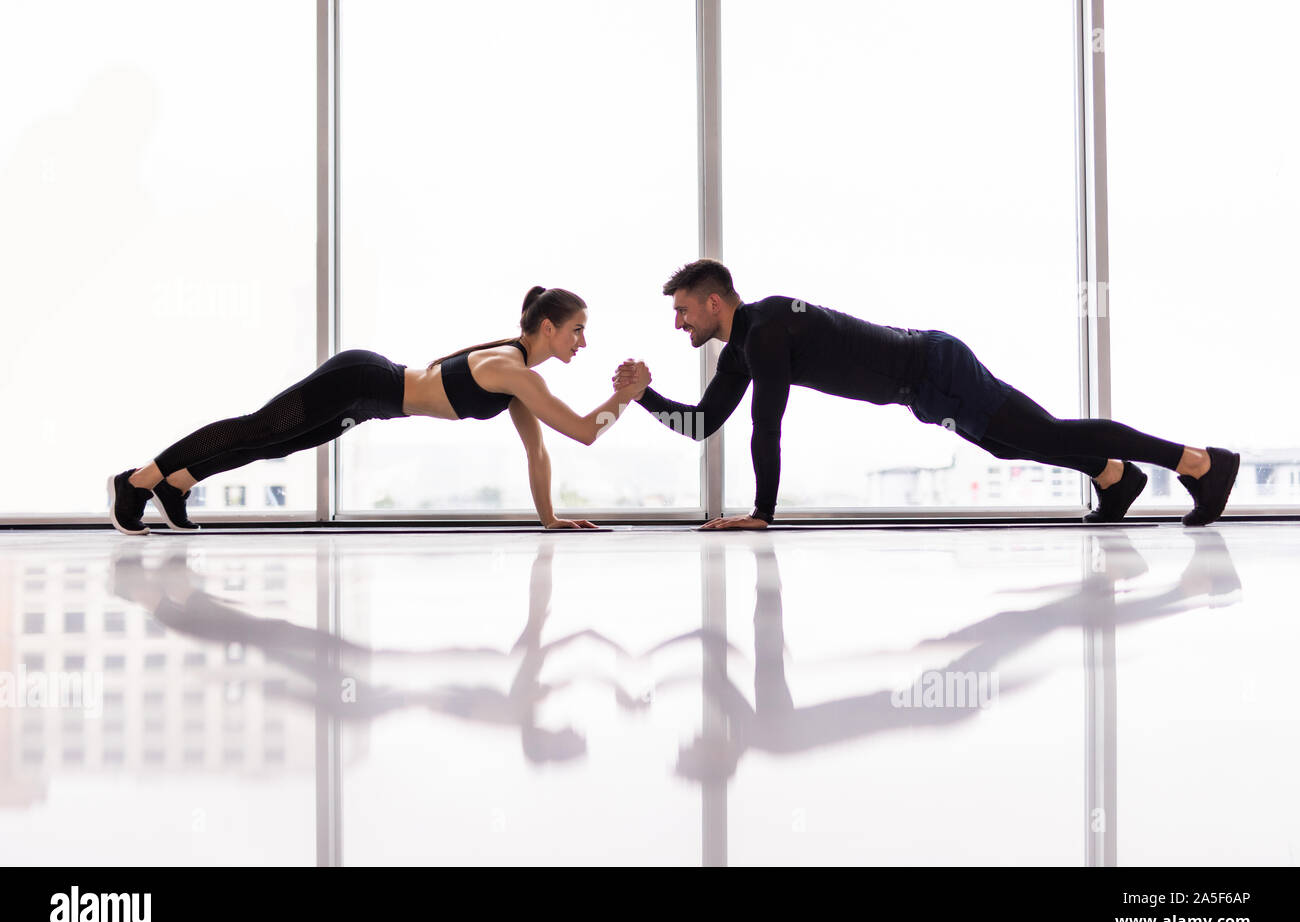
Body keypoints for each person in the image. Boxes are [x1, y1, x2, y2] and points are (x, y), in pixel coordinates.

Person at [613, 259, 1239, 529]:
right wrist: (646, 396)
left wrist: (763, 512)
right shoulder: (742, 349)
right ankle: (1114, 477)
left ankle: (1201, 463)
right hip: (926, 389)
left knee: (1046, 434)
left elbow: (766, 423)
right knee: (1008, 445)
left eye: (683, 310)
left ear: (714, 301)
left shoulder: (768, 328)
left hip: (936, 366)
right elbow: (702, 425)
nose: (679, 323)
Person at [108, 286, 648, 534]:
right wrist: (625, 397)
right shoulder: (513, 371)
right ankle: (138, 480)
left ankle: (175, 486)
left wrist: (549, 519)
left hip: (367, 401)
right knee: (259, 428)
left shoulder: (518, 379)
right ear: (548, 327)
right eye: (578, 329)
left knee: (271, 444)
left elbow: (540, 450)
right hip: (362, 380)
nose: (583, 341)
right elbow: (584, 431)